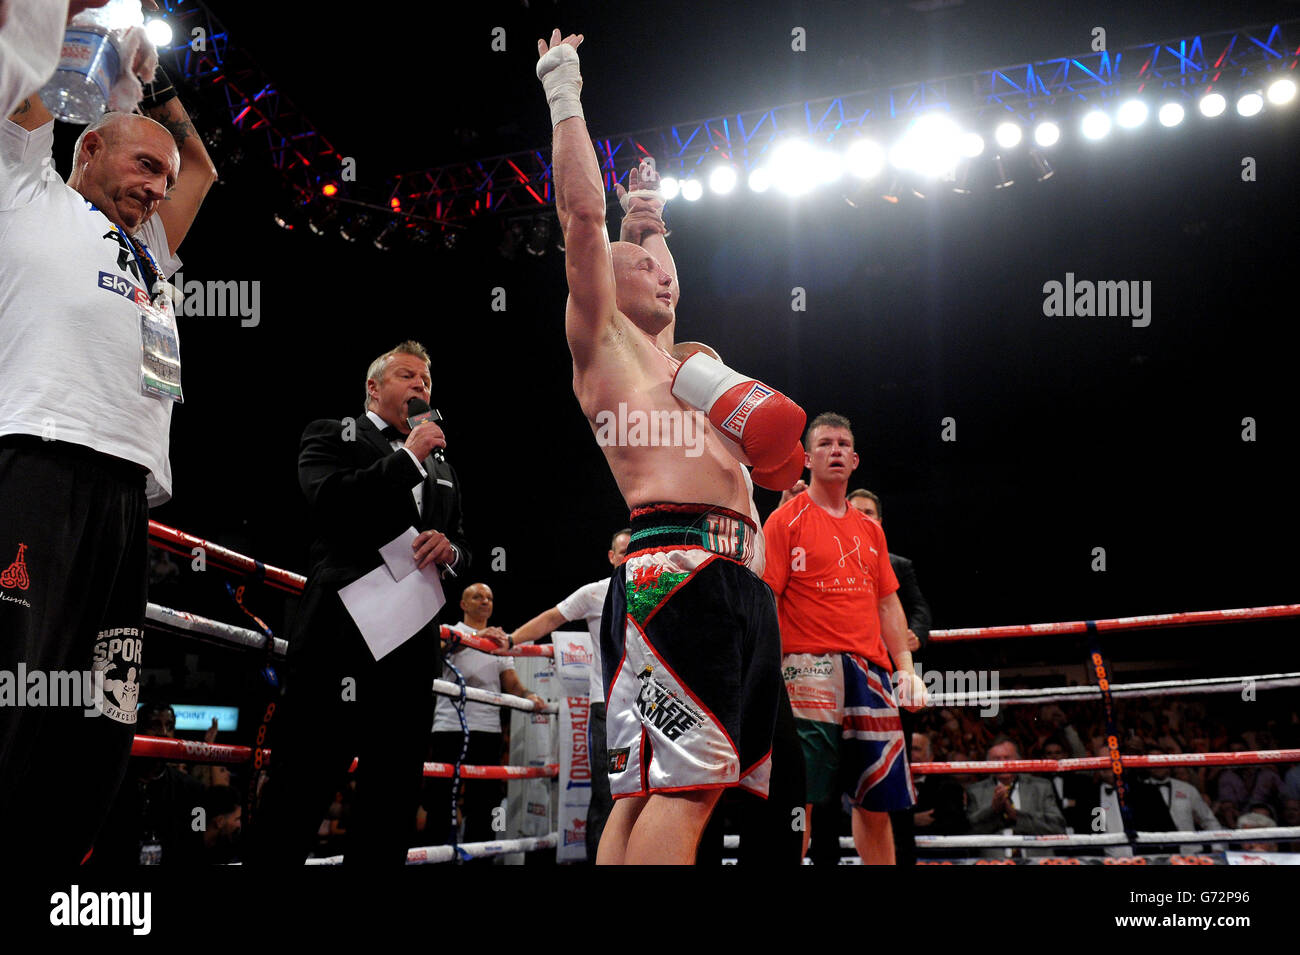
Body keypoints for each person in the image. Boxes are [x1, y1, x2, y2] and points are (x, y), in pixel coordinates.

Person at [535, 27, 806, 865]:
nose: (658, 270)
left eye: (662, 262)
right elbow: (583, 213)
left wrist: (648, 214)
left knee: (654, 783)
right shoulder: (604, 341)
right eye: (639, 261)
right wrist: (563, 86)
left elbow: (653, 258)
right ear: (604, 280)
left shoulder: (687, 364)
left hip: (729, 575)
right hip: (679, 570)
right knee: (683, 790)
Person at [0, 30, 216, 863]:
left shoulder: (150, 251)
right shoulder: (28, 189)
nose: (160, 186)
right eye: (143, 168)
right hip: (41, 459)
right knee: (17, 684)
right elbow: (22, 77)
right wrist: (78, 40)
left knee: (102, 710)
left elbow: (202, 169)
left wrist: (156, 91)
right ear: (88, 148)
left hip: (126, 495)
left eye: (162, 177)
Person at [249, 342, 471, 865]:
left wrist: (452, 550)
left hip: (412, 647)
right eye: (407, 375)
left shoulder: (444, 467)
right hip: (339, 639)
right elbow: (330, 501)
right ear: (374, 388)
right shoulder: (332, 433)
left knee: (389, 806)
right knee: (299, 789)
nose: (421, 386)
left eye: (427, 380)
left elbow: (463, 541)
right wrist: (407, 456)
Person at [762, 413, 926, 864]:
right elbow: (767, 600)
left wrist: (906, 669)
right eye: (825, 443)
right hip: (806, 673)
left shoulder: (871, 530)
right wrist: (770, 674)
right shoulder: (785, 521)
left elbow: (889, 604)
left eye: (842, 444)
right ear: (809, 458)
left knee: (877, 799)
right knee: (803, 800)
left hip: (870, 674)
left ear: (854, 460)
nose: (835, 450)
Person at [507, 528, 629, 861]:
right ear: (612, 557)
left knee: (645, 794)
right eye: (623, 551)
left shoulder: (655, 592)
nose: (628, 556)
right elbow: (551, 618)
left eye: (634, 551)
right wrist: (508, 641)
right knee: (606, 794)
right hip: (606, 707)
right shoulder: (594, 593)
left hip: (650, 708)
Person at [846, 487, 932, 865]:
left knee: (893, 780)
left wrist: (914, 634)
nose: (863, 516)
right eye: (856, 510)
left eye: (869, 512)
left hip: (890, 677)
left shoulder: (897, 563)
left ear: (879, 521)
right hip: (841, 675)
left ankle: (904, 858)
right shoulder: (836, 555)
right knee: (834, 780)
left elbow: (918, 609)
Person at [428, 583, 546, 851]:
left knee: (485, 805)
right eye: (477, 597)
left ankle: (482, 858)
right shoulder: (451, 631)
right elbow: (438, 653)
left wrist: (528, 695)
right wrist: (477, 637)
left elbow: (511, 683)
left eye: (489, 598)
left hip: (488, 730)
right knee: (440, 801)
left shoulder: (499, 640)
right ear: (463, 604)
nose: (484, 601)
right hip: (449, 728)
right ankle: (433, 860)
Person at [965, 737, 1067, 858]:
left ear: (1018, 760)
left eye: (1007, 758)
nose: (1003, 763)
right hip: (993, 862)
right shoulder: (976, 791)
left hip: (1036, 861)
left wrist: (1016, 816)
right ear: (988, 763)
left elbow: (1057, 828)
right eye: (996, 759)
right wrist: (993, 811)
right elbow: (968, 834)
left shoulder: (1040, 787)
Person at [1143, 742, 1220, 855]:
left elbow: (1208, 820)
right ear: (1146, 765)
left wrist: (1217, 847)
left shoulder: (1187, 789)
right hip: (1156, 854)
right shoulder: (1139, 791)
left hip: (1190, 852)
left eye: (1160, 760)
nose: (1158, 765)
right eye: (1153, 761)